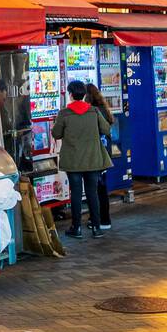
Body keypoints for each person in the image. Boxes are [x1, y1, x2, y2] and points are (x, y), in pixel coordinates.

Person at [51, 79, 112, 239]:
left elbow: (56, 134)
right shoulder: (94, 111)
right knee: (92, 193)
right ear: (84, 94)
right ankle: (97, 228)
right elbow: (106, 128)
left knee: (76, 194)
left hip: (73, 161)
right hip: (92, 159)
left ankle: (76, 228)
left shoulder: (64, 113)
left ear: (70, 95)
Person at [85, 81, 114, 232]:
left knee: (96, 189)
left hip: (96, 154)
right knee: (101, 188)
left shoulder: (93, 112)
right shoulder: (104, 109)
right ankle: (103, 219)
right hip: (105, 154)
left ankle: (100, 219)